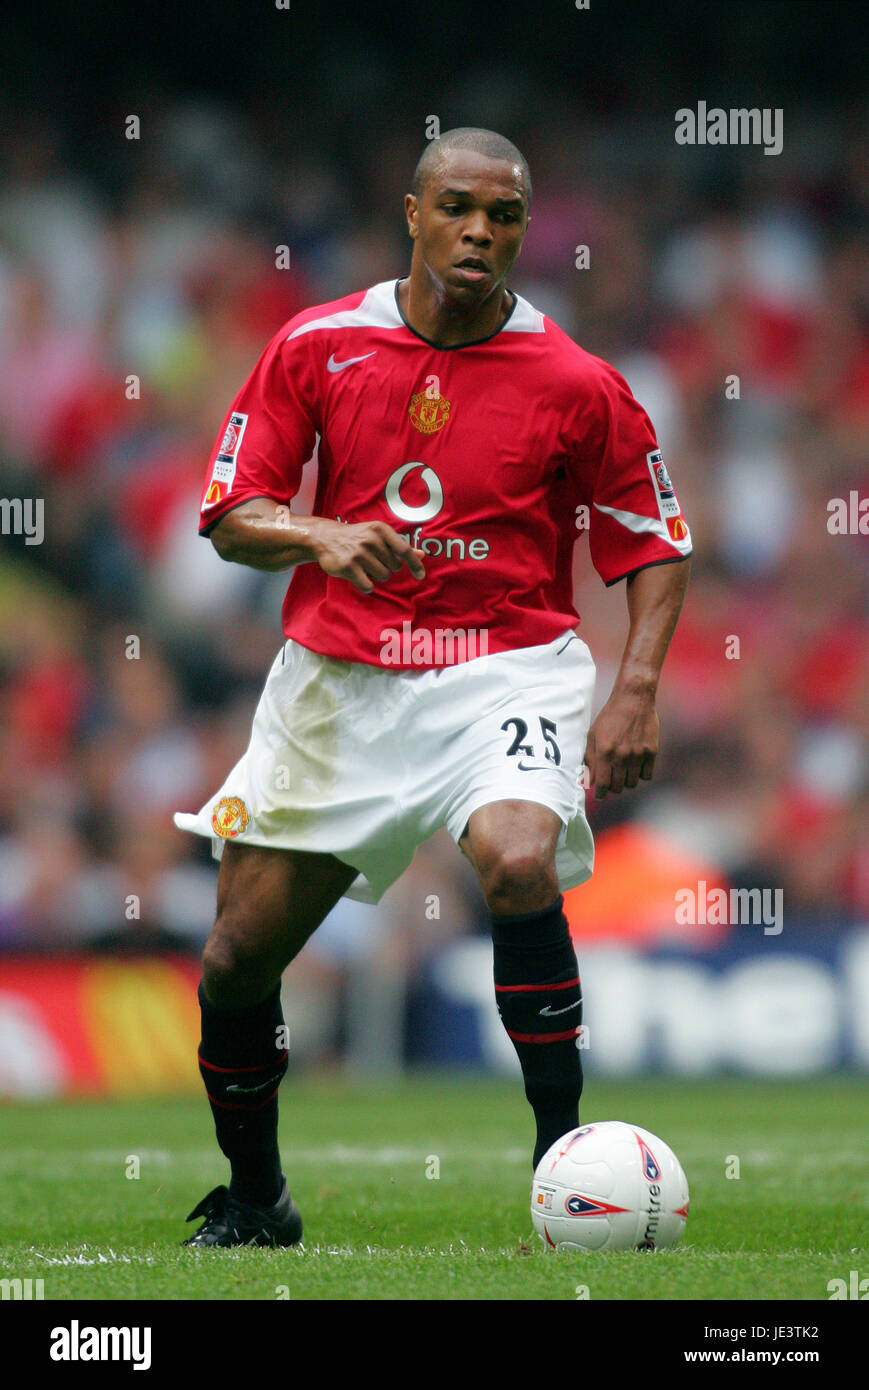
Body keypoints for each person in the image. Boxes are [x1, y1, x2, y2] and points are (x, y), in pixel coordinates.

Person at [174, 127, 692, 1246]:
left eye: (502, 215)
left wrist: (636, 686)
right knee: (233, 961)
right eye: (457, 206)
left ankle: (563, 1170)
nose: (478, 232)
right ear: (412, 213)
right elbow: (228, 514)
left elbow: (651, 539)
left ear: (520, 228)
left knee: (514, 862)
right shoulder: (316, 345)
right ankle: (258, 1198)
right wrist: (319, 534)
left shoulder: (574, 379)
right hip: (338, 684)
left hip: (499, 667)